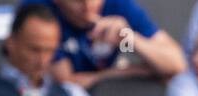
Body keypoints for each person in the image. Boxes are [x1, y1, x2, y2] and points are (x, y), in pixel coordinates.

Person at [32, 0, 185, 88]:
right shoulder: (39, 12)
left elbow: (177, 64)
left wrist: (127, 38)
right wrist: (131, 71)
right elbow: (66, 83)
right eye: (77, 0)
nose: (87, 6)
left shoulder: (117, 5)